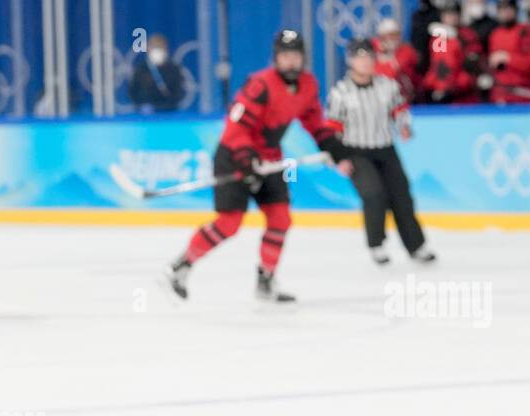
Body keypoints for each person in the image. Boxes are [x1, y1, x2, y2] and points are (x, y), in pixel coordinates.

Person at [164, 30, 352, 305]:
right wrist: (246, 161)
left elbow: (314, 122)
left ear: (303, 59)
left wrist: (334, 149)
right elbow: (235, 127)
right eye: (285, 56)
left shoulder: (308, 85)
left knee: (280, 218)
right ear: (276, 58)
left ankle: (265, 281)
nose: (290, 62)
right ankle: (182, 266)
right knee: (229, 224)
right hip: (234, 156)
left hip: (271, 159)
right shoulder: (260, 85)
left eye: (295, 56)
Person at [328, 39, 435, 267]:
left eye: (369, 57)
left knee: (401, 195)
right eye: (360, 58)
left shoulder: (387, 85)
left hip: (385, 148)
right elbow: (332, 130)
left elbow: (399, 110)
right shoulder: (340, 93)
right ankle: (377, 244)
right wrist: (338, 158)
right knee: (374, 194)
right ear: (351, 61)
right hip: (355, 151)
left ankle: (416, 246)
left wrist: (404, 125)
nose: (365, 62)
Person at [421, 2, 484, 103]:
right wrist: (441, 87)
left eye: (454, 14)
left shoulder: (468, 34)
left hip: (465, 91)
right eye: (448, 14)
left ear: (459, 16)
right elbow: (440, 65)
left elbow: (473, 62)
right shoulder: (439, 37)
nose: (452, 18)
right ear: (442, 17)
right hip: (446, 90)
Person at [487, 0, 530, 103]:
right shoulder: (494, 34)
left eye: (509, 9)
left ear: (516, 10)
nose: (505, 13)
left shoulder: (526, 31)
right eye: (502, 9)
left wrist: (508, 58)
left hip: (523, 94)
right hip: (500, 94)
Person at [129, 34, 187, 112]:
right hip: (145, 114)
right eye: (154, 47)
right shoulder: (141, 69)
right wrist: (143, 104)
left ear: (166, 49)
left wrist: (170, 104)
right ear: (148, 49)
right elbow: (133, 91)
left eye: (160, 47)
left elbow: (180, 91)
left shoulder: (174, 69)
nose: (157, 50)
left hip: (170, 112)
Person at [374, 18, 422, 102]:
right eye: (389, 35)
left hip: (406, 96)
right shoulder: (374, 51)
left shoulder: (407, 51)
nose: (393, 39)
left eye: (396, 35)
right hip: (379, 97)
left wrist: (389, 55)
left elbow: (396, 71)